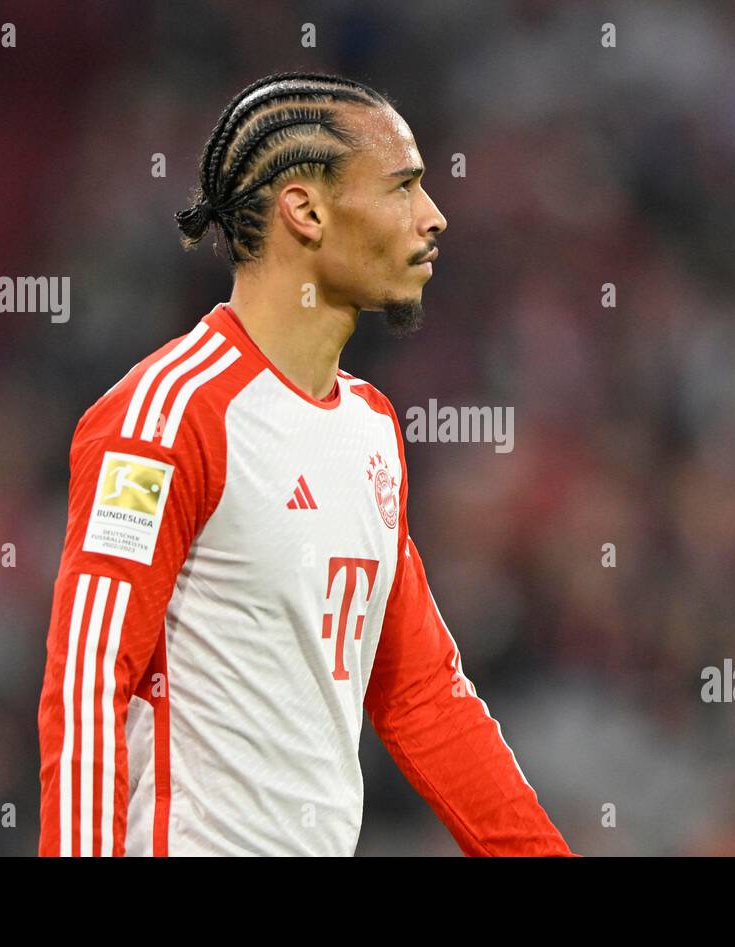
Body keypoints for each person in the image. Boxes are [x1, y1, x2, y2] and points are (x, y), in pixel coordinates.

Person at [36, 71, 575, 856]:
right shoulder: (168, 416)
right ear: (306, 210)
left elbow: (423, 694)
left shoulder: (370, 428)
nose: (434, 217)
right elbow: (89, 680)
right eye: (402, 188)